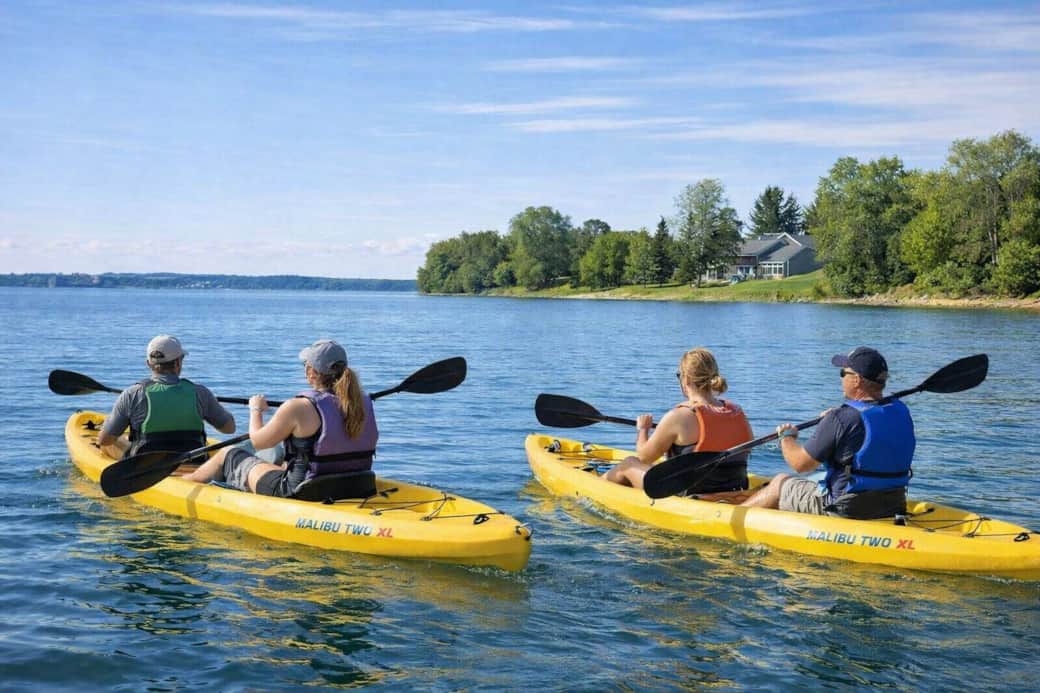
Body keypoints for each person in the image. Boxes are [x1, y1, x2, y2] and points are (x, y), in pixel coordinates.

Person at [183, 339, 378, 497]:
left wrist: (256, 410)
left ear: (310, 372)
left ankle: (185, 483)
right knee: (280, 458)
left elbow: (258, 441)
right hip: (356, 484)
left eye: (305, 365)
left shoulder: (298, 406)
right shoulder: (363, 402)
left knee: (229, 453)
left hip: (302, 490)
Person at [741, 346, 914, 519]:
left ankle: (733, 517)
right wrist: (832, 422)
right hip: (894, 503)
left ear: (856, 380)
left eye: (843, 373)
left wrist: (786, 437)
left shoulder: (841, 418)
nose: (841, 379)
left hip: (847, 507)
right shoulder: (900, 411)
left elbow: (800, 464)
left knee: (780, 483)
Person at [603, 347, 752, 493]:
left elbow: (643, 458)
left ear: (686, 379)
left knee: (629, 463)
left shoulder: (679, 416)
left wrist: (643, 429)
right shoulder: (737, 412)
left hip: (688, 492)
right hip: (734, 487)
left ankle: (598, 485)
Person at [97, 335, 236, 459]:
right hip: (193, 461)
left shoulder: (131, 394)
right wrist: (211, 403)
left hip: (144, 467)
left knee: (108, 443)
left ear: (148, 364)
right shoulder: (201, 393)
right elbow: (229, 428)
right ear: (178, 362)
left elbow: (104, 440)